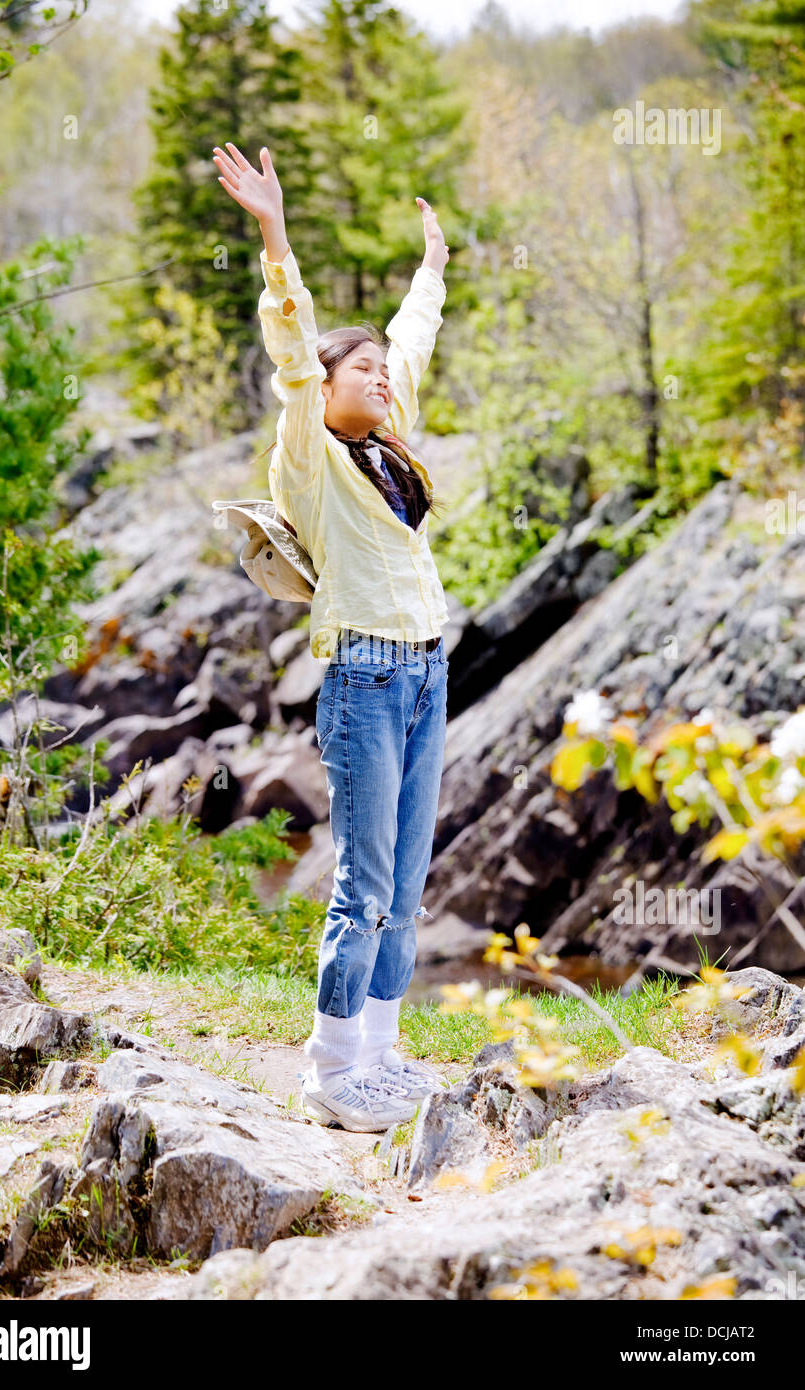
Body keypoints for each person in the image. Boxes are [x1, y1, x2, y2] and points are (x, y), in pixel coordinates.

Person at [213, 141, 451, 1132]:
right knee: (362, 879)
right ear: (326, 383)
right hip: (361, 676)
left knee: (407, 876)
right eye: (360, 368)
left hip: (427, 671)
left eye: (380, 370)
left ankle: (382, 1055)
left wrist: (432, 269)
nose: (381, 377)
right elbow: (292, 337)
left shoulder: (391, 453)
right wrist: (273, 235)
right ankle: (328, 1066)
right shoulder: (309, 452)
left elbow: (411, 338)